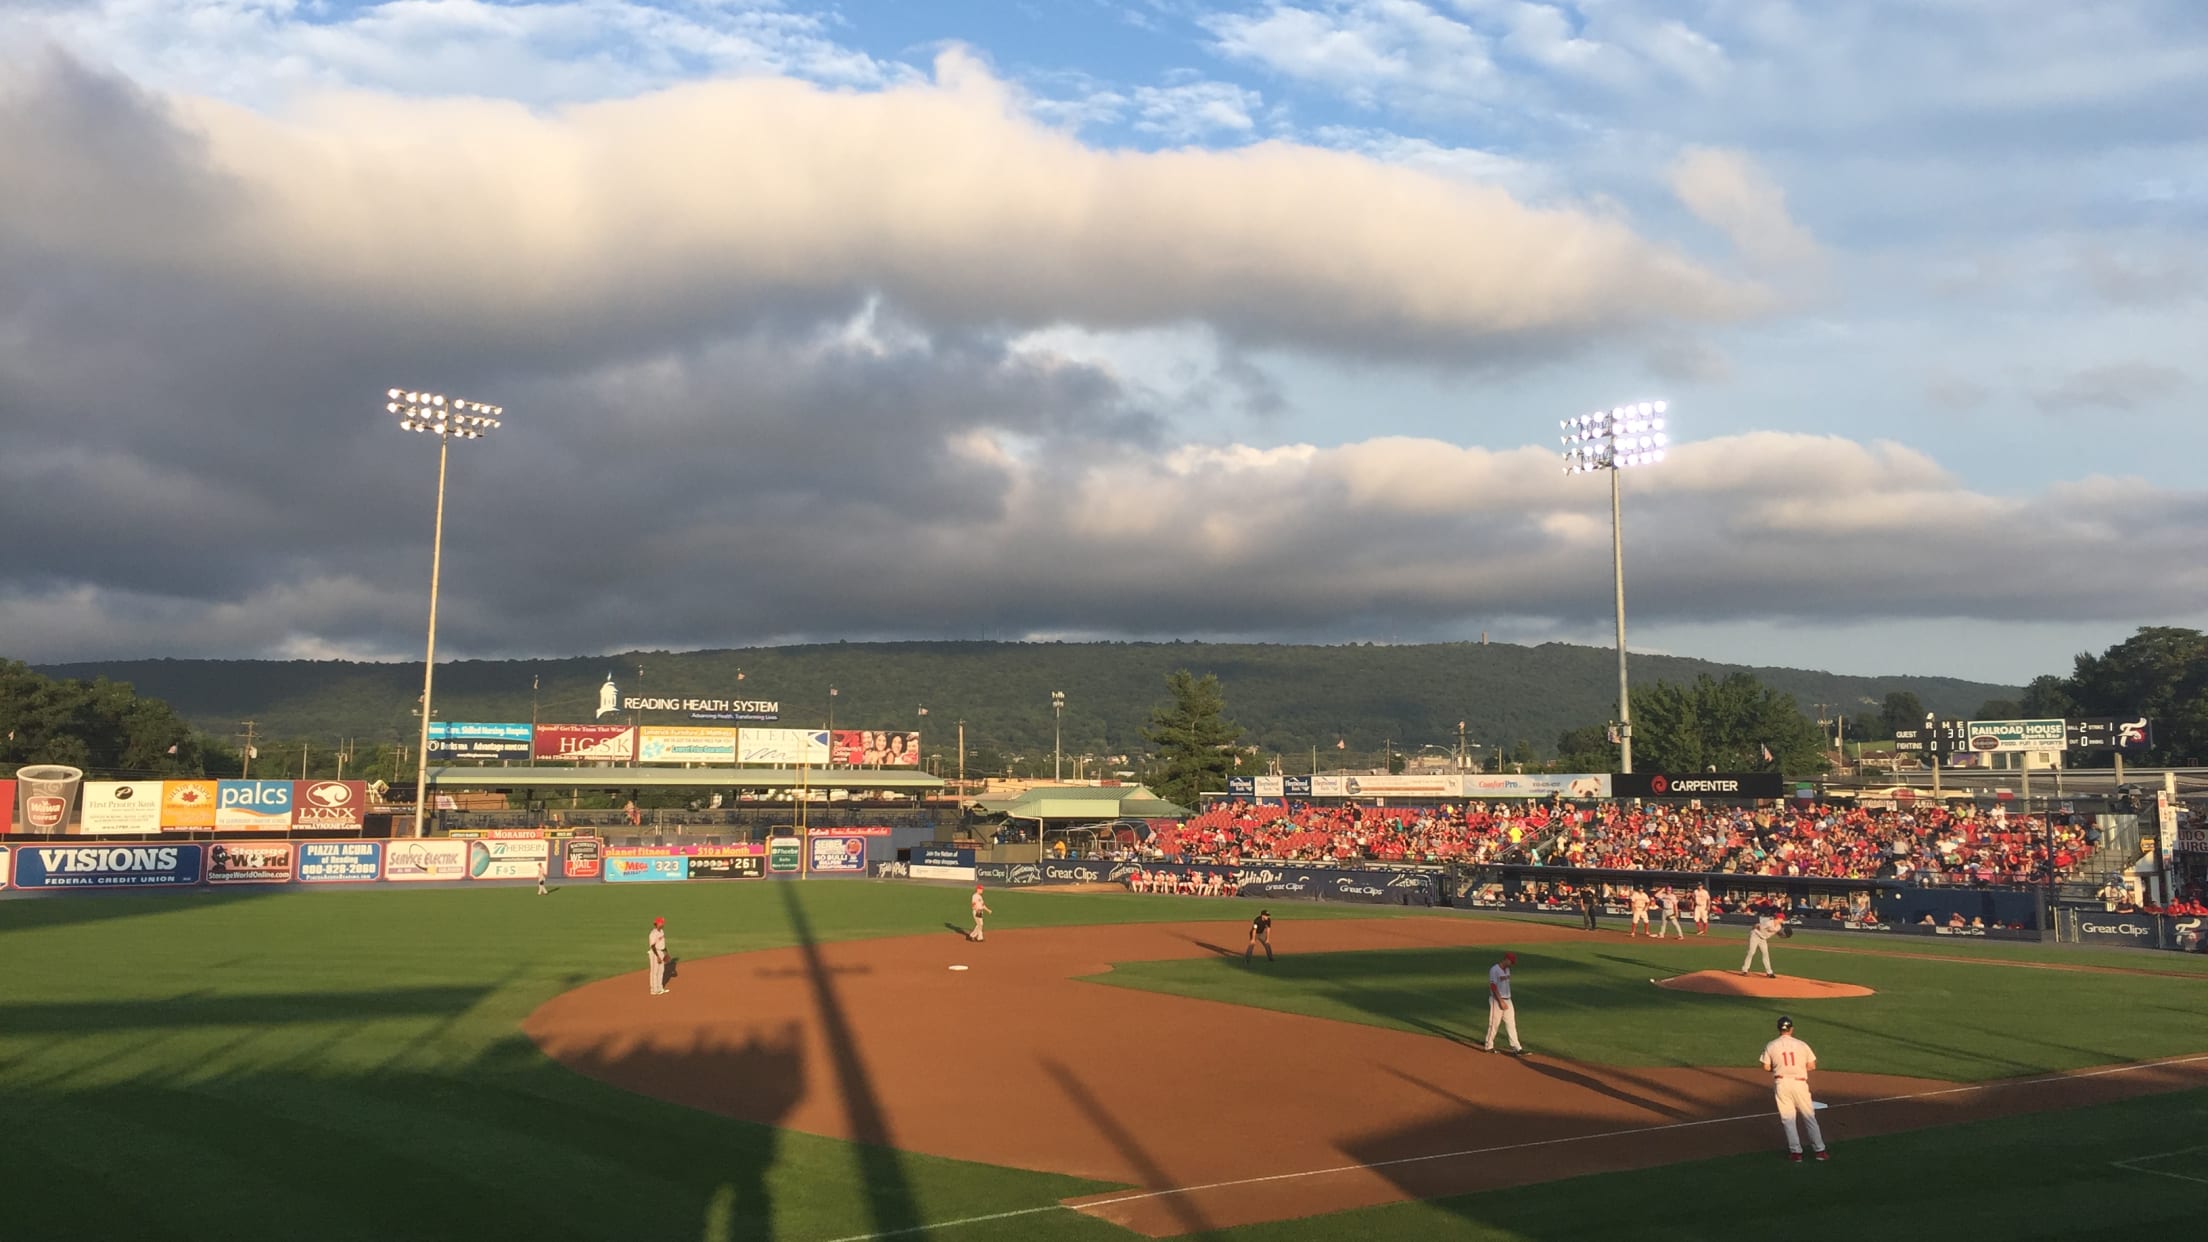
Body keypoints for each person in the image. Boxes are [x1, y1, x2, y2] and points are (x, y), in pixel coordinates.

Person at [1758, 1015, 1828, 1162]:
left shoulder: (1771, 1045)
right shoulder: (1802, 1045)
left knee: (1788, 1119)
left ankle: (1796, 1154)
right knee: (1809, 1117)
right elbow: (1812, 1066)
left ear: (1779, 1029)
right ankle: (1820, 1151)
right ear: (1791, 1029)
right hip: (1800, 1083)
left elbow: (1765, 1066)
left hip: (1782, 1084)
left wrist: (1780, 1069)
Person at [1483, 951, 1524, 1054]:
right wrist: (1500, 1001)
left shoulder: (1507, 970)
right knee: (1494, 1024)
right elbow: (1493, 986)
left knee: (1511, 1023)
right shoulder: (1494, 970)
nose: (1511, 964)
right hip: (1496, 1000)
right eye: (1511, 961)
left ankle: (1517, 1048)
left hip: (1508, 1000)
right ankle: (1489, 1045)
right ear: (1506, 959)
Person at [1742, 908, 1782, 977]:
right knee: (1751, 952)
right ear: (1778, 918)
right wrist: (1752, 932)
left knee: (1765, 954)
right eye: (1782, 918)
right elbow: (1758, 926)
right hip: (1755, 935)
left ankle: (1769, 972)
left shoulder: (1779, 927)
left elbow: (1777, 932)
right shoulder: (1768, 923)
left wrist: (1782, 935)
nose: (1783, 920)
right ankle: (1744, 970)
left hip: (1763, 939)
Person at [648, 917, 670, 996]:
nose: (663, 924)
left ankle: (660, 988)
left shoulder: (661, 931)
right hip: (655, 953)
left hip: (661, 952)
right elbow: (653, 946)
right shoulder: (653, 933)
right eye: (662, 922)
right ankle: (653, 990)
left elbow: (663, 944)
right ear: (657, 923)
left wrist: (666, 953)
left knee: (661, 971)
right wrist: (657, 956)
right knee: (655, 972)